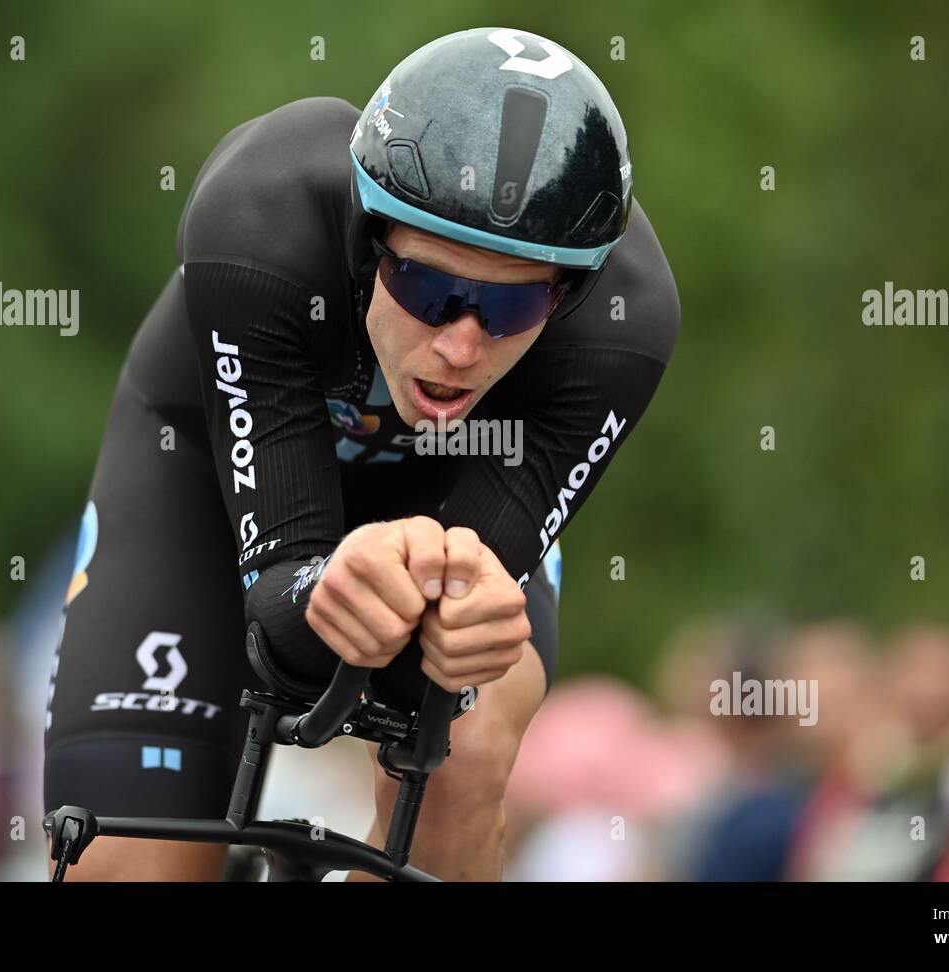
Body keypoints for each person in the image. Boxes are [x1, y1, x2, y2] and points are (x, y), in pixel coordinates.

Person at [43, 26, 679, 881]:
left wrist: (445, 642)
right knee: (131, 859)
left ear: (571, 293)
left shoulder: (623, 326)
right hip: (205, 480)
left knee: (466, 749)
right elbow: (283, 621)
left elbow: (427, 671)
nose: (461, 345)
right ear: (368, 239)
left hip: (453, 496)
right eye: (429, 288)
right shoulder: (259, 213)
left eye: (512, 308)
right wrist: (320, 588)